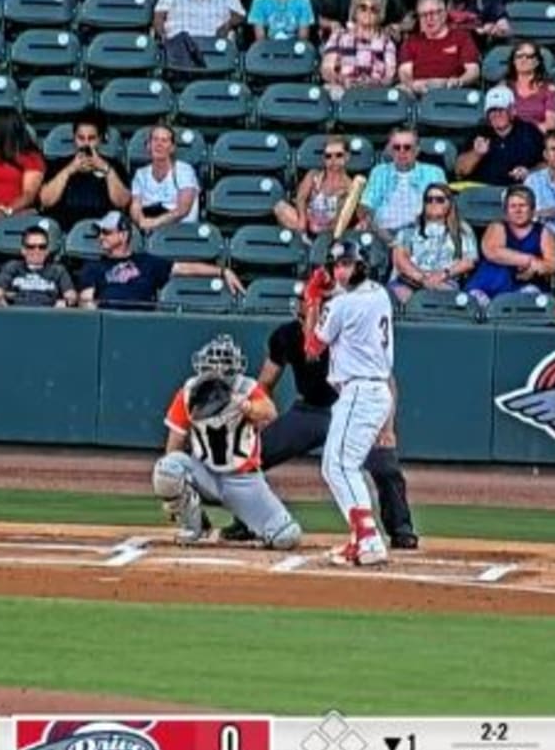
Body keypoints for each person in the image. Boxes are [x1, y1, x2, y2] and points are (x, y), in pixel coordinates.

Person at [218, 310, 418, 549]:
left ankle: (401, 529)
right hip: (310, 411)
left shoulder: (352, 334)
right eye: (304, 315)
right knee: (253, 455)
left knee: (384, 465)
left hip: (353, 410)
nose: (310, 322)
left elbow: (385, 382)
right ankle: (248, 521)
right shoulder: (286, 335)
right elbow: (266, 382)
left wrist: (387, 429)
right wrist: (260, 414)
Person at [151, 334, 303, 549]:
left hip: (243, 480)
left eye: (223, 365)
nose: (217, 370)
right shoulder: (189, 392)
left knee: (286, 537)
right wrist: (172, 496)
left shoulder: (246, 388)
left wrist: (246, 407)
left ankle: (255, 523)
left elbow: (270, 412)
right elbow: (174, 443)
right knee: (167, 468)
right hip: (205, 474)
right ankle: (195, 526)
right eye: (213, 365)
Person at [301, 239, 396, 566]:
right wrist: (330, 293)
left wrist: (312, 301)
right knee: (336, 466)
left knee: (341, 466)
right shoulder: (379, 293)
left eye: (347, 264)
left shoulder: (343, 305)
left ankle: (369, 539)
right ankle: (360, 536)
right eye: (337, 265)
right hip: (370, 392)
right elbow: (347, 300)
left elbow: (312, 348)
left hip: (360, 392)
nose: (341, 271)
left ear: (362, 266)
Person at [77, 211, 242, 309]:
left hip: (144, 327)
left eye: (106, 232)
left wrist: (222, 271)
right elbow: (87, 304)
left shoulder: (147, 262)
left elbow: (185, 268)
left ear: (124, 235)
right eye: (99, 232)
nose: (100, 237)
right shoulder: (93, 267)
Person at [465, 185, 555, 306]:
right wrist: (530, 261)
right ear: (506, 210)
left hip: (526, 285)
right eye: (512, 206)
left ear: (532, 209)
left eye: (522, 206)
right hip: (486, 284)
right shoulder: (497, 226)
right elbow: (493, 252)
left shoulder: (544, 232)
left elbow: (552, 265)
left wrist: (537, 268)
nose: (517, 210)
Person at [37, 110, 131, 231]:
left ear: (100, 139)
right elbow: (46, 201)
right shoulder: (58, 165)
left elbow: (122, 202)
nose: (86, 144)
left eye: (91, 138)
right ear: (74, 138)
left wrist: (106, 169)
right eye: (81, 138)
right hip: (64, 229)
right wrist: (69, 170)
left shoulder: (115, 166)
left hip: (103, 230)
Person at [388, 181, 477, 304]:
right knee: (403, 298)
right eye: (429, 199)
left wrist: (442, 275)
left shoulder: (462, 229)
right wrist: (423, 278)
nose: (433, 203)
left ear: (450, 203)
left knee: (444, 298)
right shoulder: (410, 228)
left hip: (445, 280)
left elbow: (468, 261)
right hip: (409, 280)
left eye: (439, 199)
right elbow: (400, 260)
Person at [359, 126, 447, 243]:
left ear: (417, 150)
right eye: (396, 147)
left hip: (421, 234)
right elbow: (366, 207)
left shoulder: (434, 173)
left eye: (407, 147)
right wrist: (382, 233)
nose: (402, 151)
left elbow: (445, 207)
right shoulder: (379, 172)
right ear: (390, 150)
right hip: (382, 234)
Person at [454, 85, 545, 186]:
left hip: (518, 194)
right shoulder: (479, 133)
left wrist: (529, 173)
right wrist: (476, 154)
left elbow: (547, 165)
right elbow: (460, 170)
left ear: (513, 110)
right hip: (483, 193)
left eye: (501, 109)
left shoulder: (530, 132)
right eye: (492, 110)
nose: (497, 114)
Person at [274, 135, 359, 238]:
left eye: (338, 155)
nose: (333, 160)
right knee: (280, 207)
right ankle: (304, 241)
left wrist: (321, 225)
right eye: (328, 156)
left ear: (347, 157)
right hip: (306, 225)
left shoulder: (350, 187)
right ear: (324, 158)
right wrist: (303, 218)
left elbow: (341, 219)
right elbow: (301, 198)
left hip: (330, 231)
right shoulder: (313, 175)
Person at [396, 0, 481, 96]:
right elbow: (404, 72)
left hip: (452, 91)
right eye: (423, 15)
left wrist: (460, 81)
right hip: (419, 92)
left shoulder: (462, 38)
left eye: (433, 13)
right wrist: (412, 85)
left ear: (444, 14)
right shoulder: (411, 42)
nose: (428, 19)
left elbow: (473, 70)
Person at [320, 0, 397, 100]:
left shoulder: (387, 43)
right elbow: (327, 70)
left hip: (375, 91)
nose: (368, 12)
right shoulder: (339, 36)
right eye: (363, 8)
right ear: (355, 11)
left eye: (374, 9)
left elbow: (389, 77)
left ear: (380, 15)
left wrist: (373, 83)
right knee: (332, 92)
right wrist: (342, 80)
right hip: (342, 88)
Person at [129, 124, 202, 231]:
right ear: (148, 145)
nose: (159, 144)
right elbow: (135, 206)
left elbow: (183, 210)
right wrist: (141, 221)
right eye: (155, 139)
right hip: (147, 227)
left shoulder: (184, 170)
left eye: (164, 140)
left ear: (172, 148)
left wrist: (154, 223)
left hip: (179, 230)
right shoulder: (141, 174)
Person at [0, 224, 76, 308]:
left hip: (49, 316)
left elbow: (71, 296)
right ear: (23, 250)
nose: (37, 250)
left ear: (47, 251)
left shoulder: (58, 270)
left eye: (42, 247)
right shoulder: (12, 267)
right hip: (17, 315)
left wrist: (66, 301)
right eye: (31, 247)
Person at [503, 41, 555, 133]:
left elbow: (551, 125)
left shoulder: (550, 90)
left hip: (538, 137)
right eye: (519, 56)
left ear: (537, 62)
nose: (523, 59)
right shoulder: (504, 89)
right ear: (514, 61)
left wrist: (526, 132)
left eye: (529, 56)